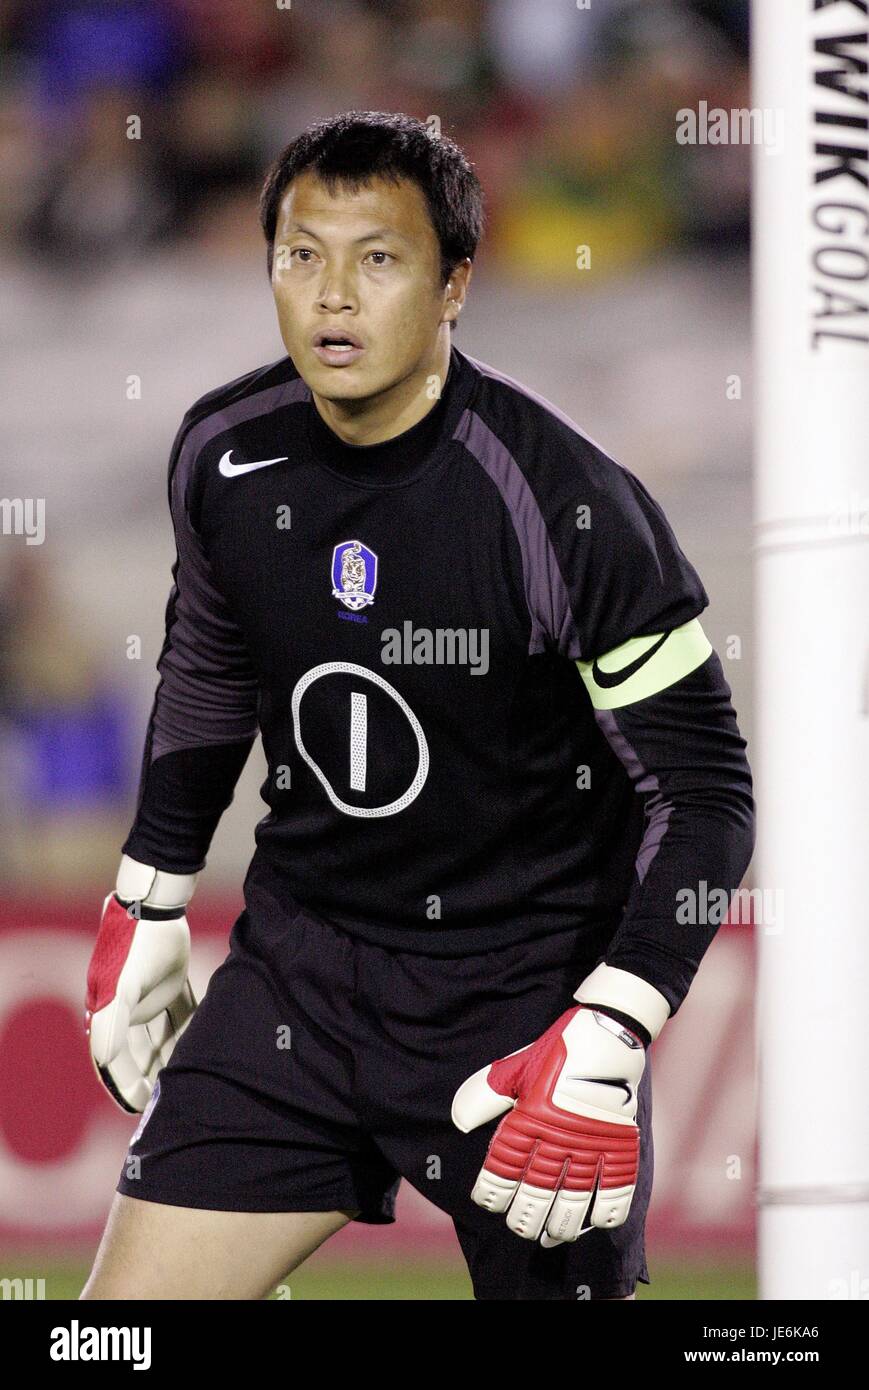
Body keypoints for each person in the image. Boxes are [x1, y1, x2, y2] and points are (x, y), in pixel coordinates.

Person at [81, 110, 754, 1301]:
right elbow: (208, 667)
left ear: (454, 285)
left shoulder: (568, 504)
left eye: (378, 259)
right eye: (302, 255)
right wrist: (152, 892)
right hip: (299, 972)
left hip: (522, 1003)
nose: (332, 295)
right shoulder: (224, 454)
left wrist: (614, 1023)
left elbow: (704, 794)